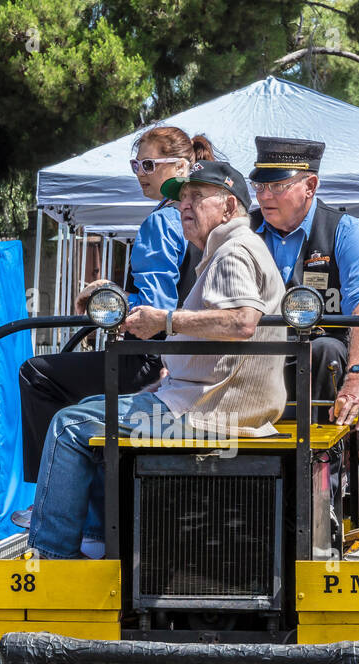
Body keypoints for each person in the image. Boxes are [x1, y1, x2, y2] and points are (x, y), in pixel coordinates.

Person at [26, 161, 287, 559]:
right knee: (90, 411)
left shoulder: (232, 252)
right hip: (213, 405)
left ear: (229, 207)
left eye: (198, 197)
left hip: (210, 416)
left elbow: (242, 321)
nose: (185, 205)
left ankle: (53, 555)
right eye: (182, 197)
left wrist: (162, 320)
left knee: (68, 425)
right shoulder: (234, 250)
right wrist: (167, 376)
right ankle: (96, 537)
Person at [16, 126, 214, 490]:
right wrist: (111, 292)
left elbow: (156, 310)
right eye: (136, 165)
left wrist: (105, 300)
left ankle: (53, 493)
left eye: (149, 165)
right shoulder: (209, 223)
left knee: (36, 374)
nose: (140, 174)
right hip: (197, 363)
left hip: (150, 363)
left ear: (183, 166)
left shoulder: (161, 221)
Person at [247, 137, 359, 425]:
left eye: (277, 187)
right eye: (259, 186)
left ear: (310, 186)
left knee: (326, 348)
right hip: (253, 358)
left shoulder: (345, 231)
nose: (264, 197)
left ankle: (321, 461)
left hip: (317, 364)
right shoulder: (241, 231)